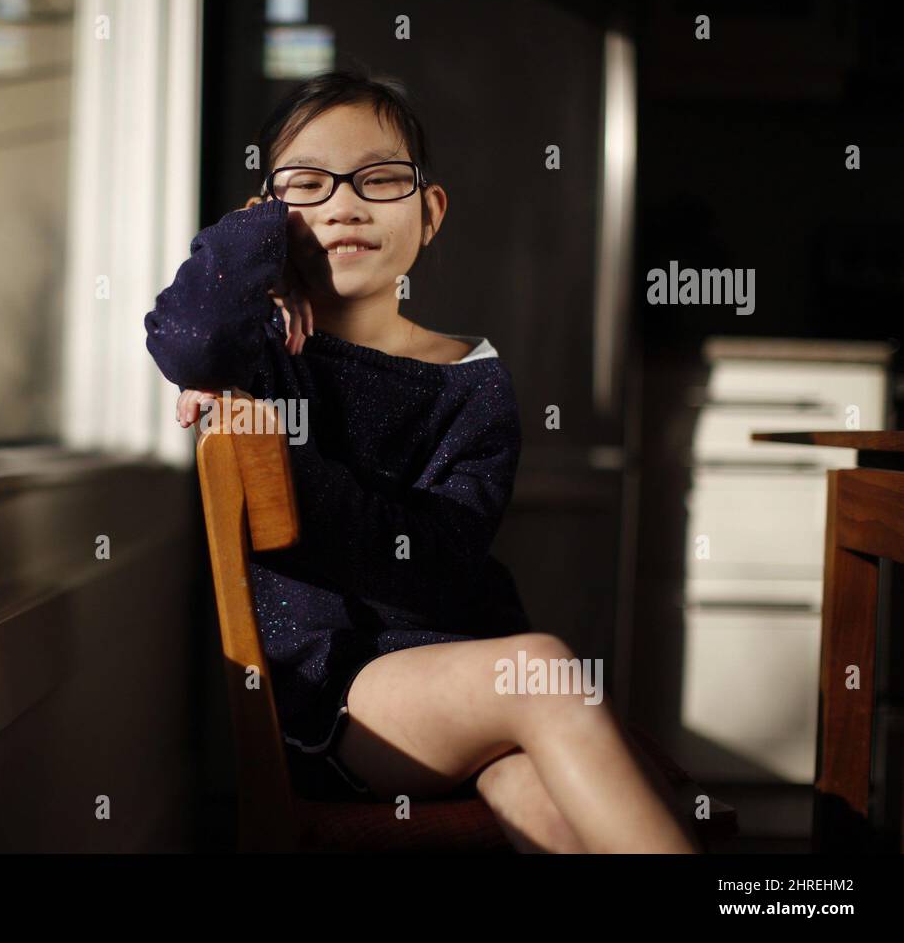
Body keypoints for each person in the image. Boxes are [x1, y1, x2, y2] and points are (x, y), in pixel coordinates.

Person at [144, 69, 698, 853]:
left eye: (379, 180)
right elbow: (190, 334)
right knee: (542, 669)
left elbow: (434, 567)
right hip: (340, 703)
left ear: (429, 212)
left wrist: (293, 459)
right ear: (269, 212)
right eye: (305, 186)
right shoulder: (264, 355)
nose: (344, 204)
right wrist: (256, 241)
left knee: (544, 802)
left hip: (460, 685)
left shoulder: (476, 381)